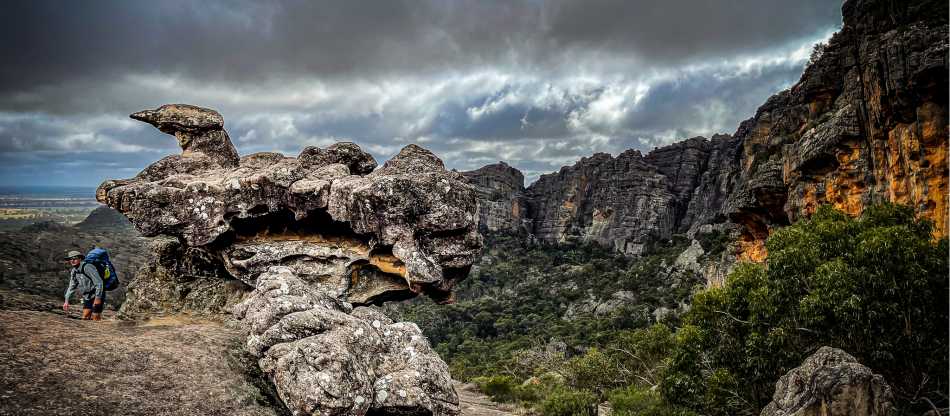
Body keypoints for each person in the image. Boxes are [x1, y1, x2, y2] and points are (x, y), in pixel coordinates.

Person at [63, 250, 105, 321]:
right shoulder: (74, 271)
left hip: (97, 294)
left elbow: (99, 283)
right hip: (87, 296)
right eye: (71, 259)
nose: (72, 261)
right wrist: (66, 301)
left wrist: (98, 298)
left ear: (80, 259)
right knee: (85, 317)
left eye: (75, 258)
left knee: (96, 318)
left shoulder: (88, 267)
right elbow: (71, 287)